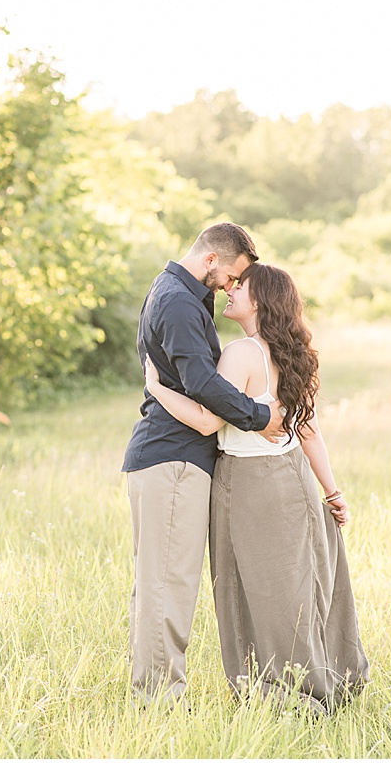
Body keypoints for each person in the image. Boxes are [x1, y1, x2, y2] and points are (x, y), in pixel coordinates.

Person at [144, 262, 369, 715]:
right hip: (294, 479)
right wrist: (332, 492)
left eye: (240, 287)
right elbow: (310, 433)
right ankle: (326, 678)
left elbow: (209, 421)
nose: (230, 290)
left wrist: (155, 387)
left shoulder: (242, 353)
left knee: (255, 592)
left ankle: (280, 692)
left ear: (260, 301)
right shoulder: (294, 353)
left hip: (250, 486)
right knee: (300, 587)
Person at [121, 222, 285, 706]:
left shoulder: (183, 293)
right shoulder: (176, 300)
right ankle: (158, 704)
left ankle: (155, 694)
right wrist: (260, 416)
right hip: (172, 459)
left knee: (161, 582)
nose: (234, 286)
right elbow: (202, 383)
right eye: (233, 275)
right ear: (211, 259)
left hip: (176, 458)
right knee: (168, 585)